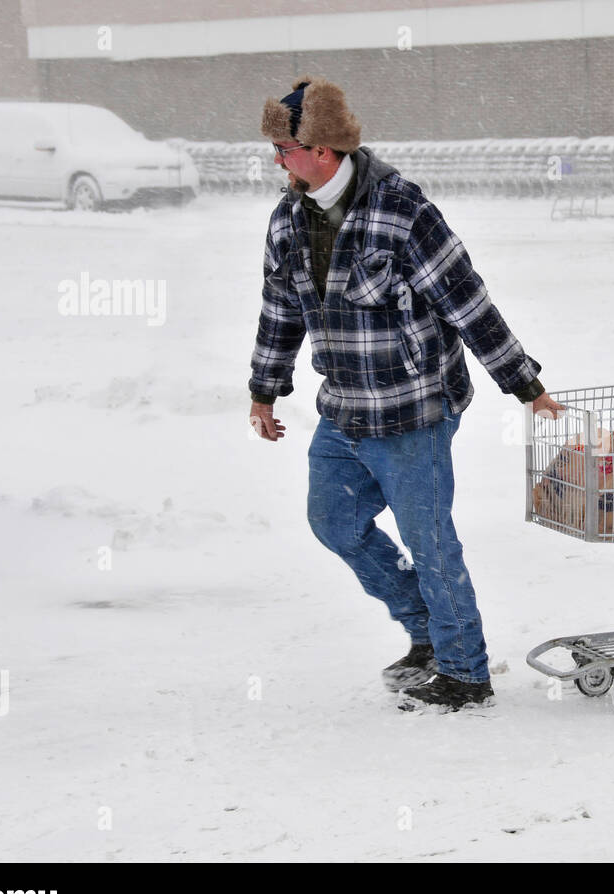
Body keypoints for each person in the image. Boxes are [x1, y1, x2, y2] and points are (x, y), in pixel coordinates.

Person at [248, 76, 562, 712]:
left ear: (322, 150)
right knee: (333, 521)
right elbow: (279, 310)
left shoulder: (401, 210)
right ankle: (425, 629)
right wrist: (264, 390)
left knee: (431, 541)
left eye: (285, 149)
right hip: (344, 408)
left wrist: (523, 382)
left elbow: (465, 299)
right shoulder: (288, 219)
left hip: (415, 407)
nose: (277, 160)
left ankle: (465, 672)